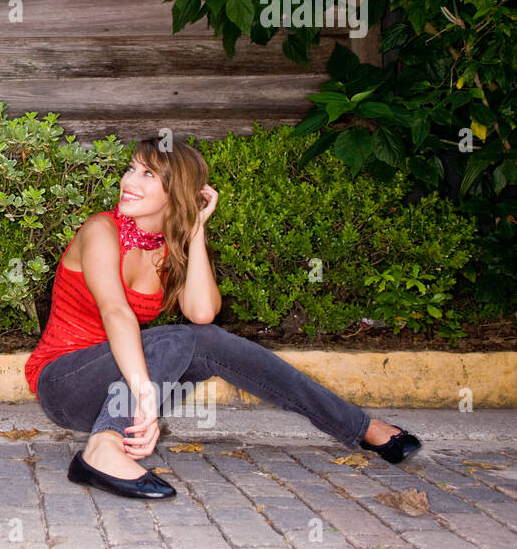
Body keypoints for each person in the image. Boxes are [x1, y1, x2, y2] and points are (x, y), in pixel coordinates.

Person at [25, 138, 421, 500]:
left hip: (122, 390)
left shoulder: (167, 250)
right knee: (179, 340)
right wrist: (144, 394)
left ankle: (360, 427)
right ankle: (102, 448)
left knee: (202, 337)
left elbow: (202, 313)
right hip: (64, 384)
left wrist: (196, 230)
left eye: (148, 174)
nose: (130, 181)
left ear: (175, 192)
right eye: (131, 168)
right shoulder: (101, 229)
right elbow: (116, 312)